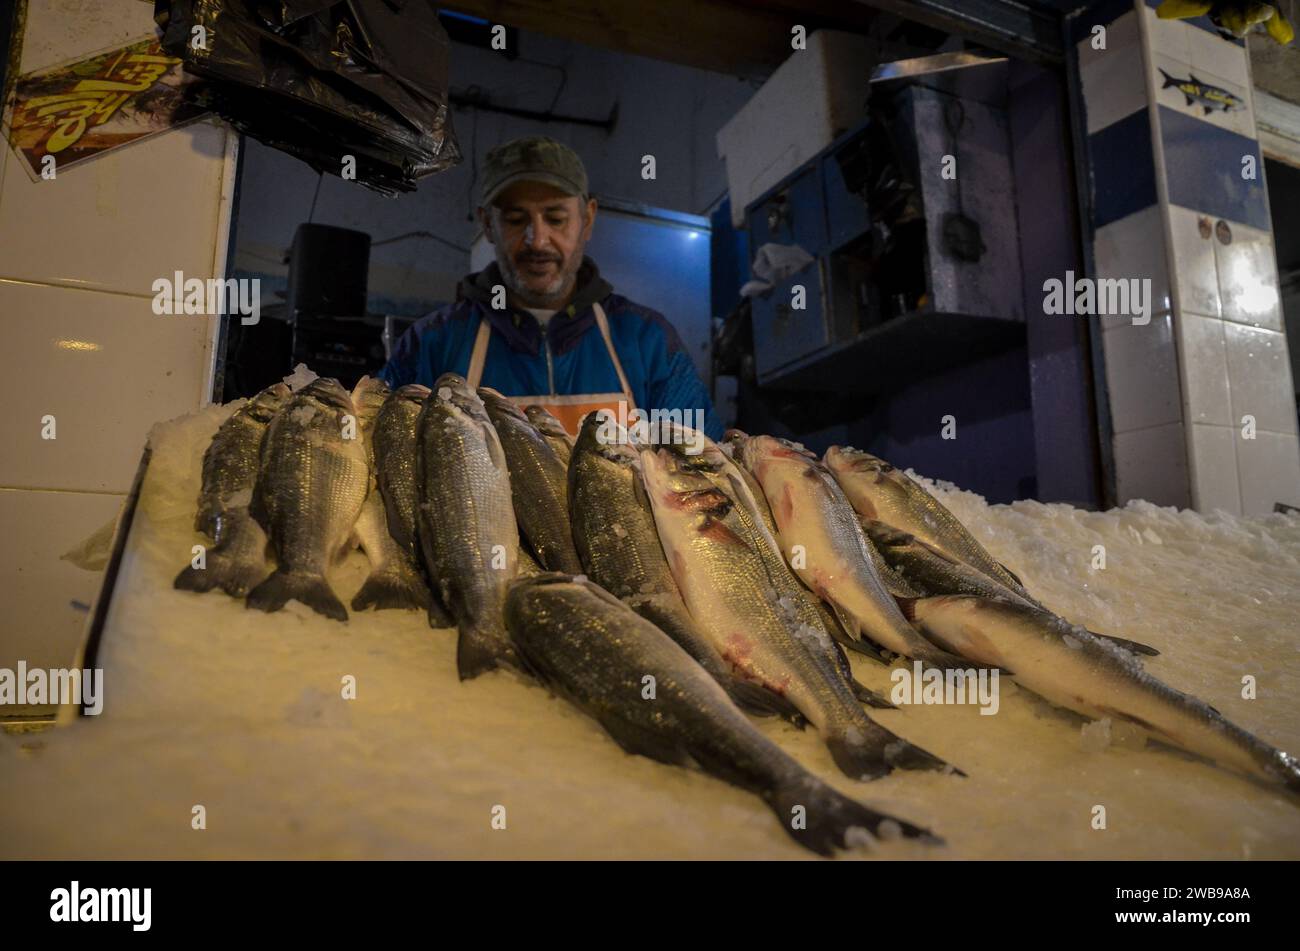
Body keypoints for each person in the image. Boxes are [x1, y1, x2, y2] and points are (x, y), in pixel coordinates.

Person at [377, 135, 722, 439]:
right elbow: (384, 456)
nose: (537, 240)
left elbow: (701, 468)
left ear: (587, 219)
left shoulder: (647, 342)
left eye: (556, 218)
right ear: (488, 224)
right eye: (515, 219)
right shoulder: (433, 344)